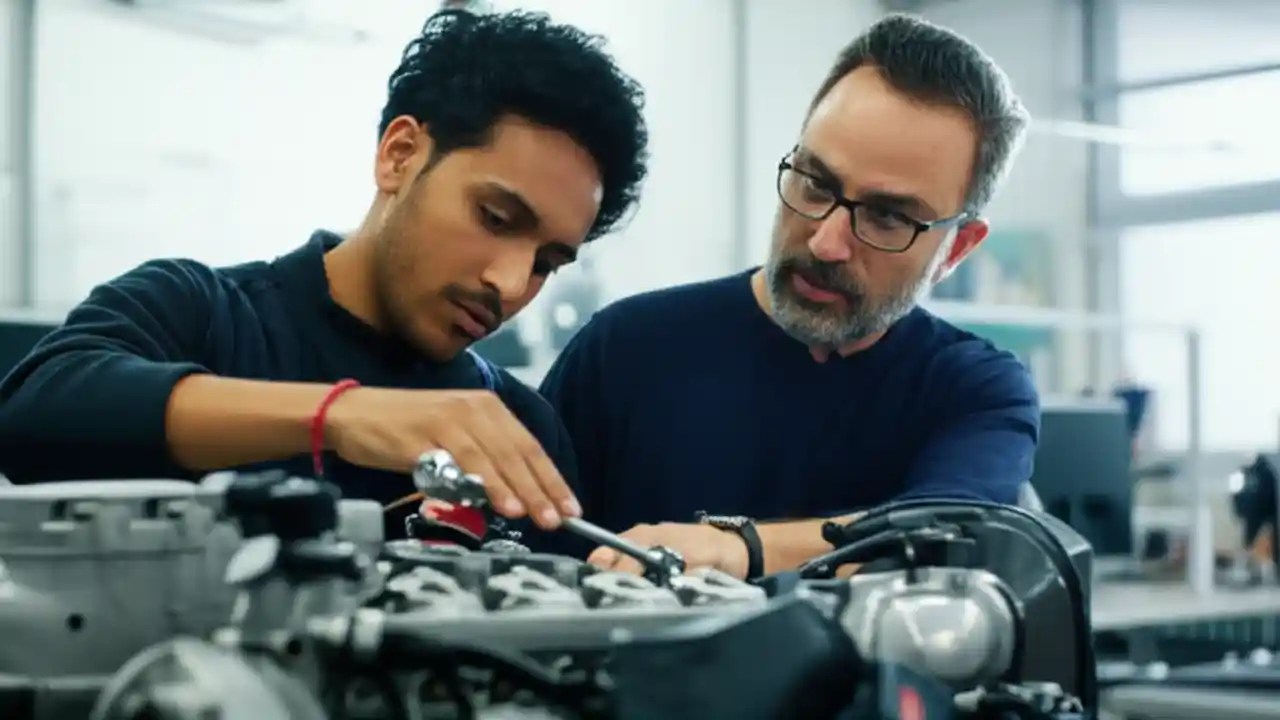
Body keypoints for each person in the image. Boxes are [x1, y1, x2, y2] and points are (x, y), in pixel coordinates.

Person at [0, 9, 649, 539]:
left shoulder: (519, 426)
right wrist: (340, 415)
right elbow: (35, 418)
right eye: (496, 217)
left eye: (545, 263)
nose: (511, 284)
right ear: (400, 156)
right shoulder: (203, 313)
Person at [538, 14, 1037, 576]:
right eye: (815, 183)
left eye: (888, 217)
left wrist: (738, 550)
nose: (826, 242)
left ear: (957, 249)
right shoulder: (623, 352)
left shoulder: (974, 389)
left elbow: (950, 531)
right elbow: (517, 569)